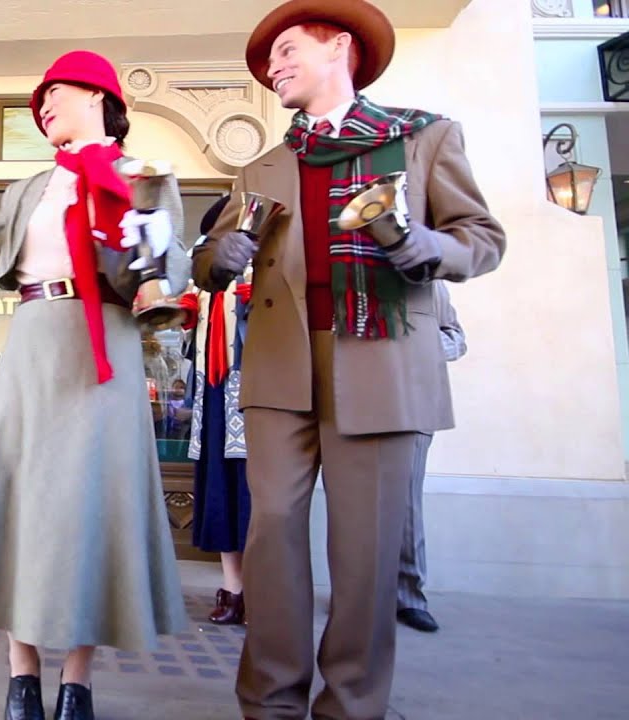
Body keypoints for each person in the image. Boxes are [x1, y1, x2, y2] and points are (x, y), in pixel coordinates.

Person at [193, 2, 506, 717]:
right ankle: (270, 701)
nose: (272, 68)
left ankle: (353, 703)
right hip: (279, 364)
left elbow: (482, 237)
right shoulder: (264, 165)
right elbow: (209, 261)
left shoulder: (421, 138)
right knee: (271, 531)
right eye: (268, 61)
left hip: (381, 361)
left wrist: (432, 247)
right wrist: (219, 256)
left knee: (366, 550)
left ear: (339, 47)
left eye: (286, 51)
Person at [0, 50, 189, 720]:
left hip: (105, 345)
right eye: (39, 100)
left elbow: (165, 274)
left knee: (91, 506)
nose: (43, 106)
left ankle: (78, 680)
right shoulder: (29, 188)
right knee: (23, 503)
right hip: (35, 341)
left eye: (54, 93)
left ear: (98, 95)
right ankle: (21, 678)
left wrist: (154, 246)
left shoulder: (142, 176)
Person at [187, 194, 252, 626]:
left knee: (257, 495)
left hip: (254, 392)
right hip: (212, 393)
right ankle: (233, 588)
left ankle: (263, 588)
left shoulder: (263, 271)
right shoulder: (203, 280)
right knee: (220, 490)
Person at [397, 280, 467, 633]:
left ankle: (409, 597)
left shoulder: (430, 282)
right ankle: (358, 595)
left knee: (407, 505)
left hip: (416, 404)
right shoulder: (354, 279)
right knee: (356, 508)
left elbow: (457, 338)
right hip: (361, 402)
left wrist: (419, 345)